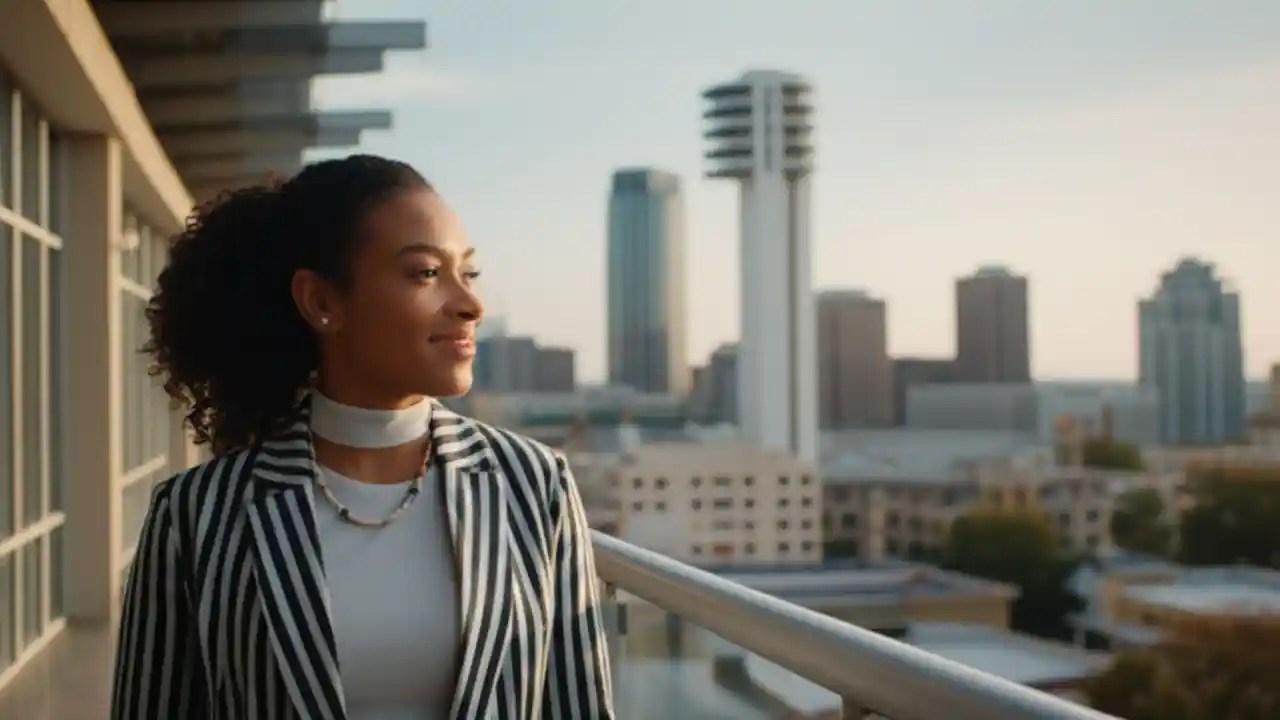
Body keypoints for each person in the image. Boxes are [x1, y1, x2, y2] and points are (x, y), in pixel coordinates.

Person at [110, 155, 615, 720]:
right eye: (426, 273)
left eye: (467, 273)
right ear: (322, 302)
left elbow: (578, 706)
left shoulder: (533, 484)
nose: (471, 304)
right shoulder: (198, 514)